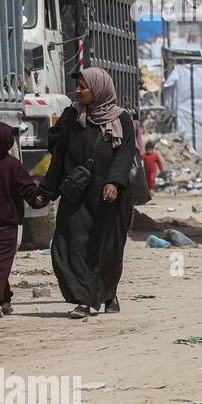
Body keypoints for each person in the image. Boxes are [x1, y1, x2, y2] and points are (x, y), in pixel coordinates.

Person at [39, 68, 135, 318]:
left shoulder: (122, 119)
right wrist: (46, 191)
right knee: (70, 244)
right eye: (78, 86)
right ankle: (82, 298)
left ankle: (107, 293)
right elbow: (58, 155)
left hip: (110, 197)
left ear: (99, 89)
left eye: (84, 87)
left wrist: (114, 182)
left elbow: (125, 154)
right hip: (77, 192)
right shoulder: (72, 116)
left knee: (107, 248)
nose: (78, 91)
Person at [0, 121, 46, 317]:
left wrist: (37, 199)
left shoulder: (13, 166)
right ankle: (5, 298)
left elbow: (27, 188)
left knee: (1, 263)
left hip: (7, 224)